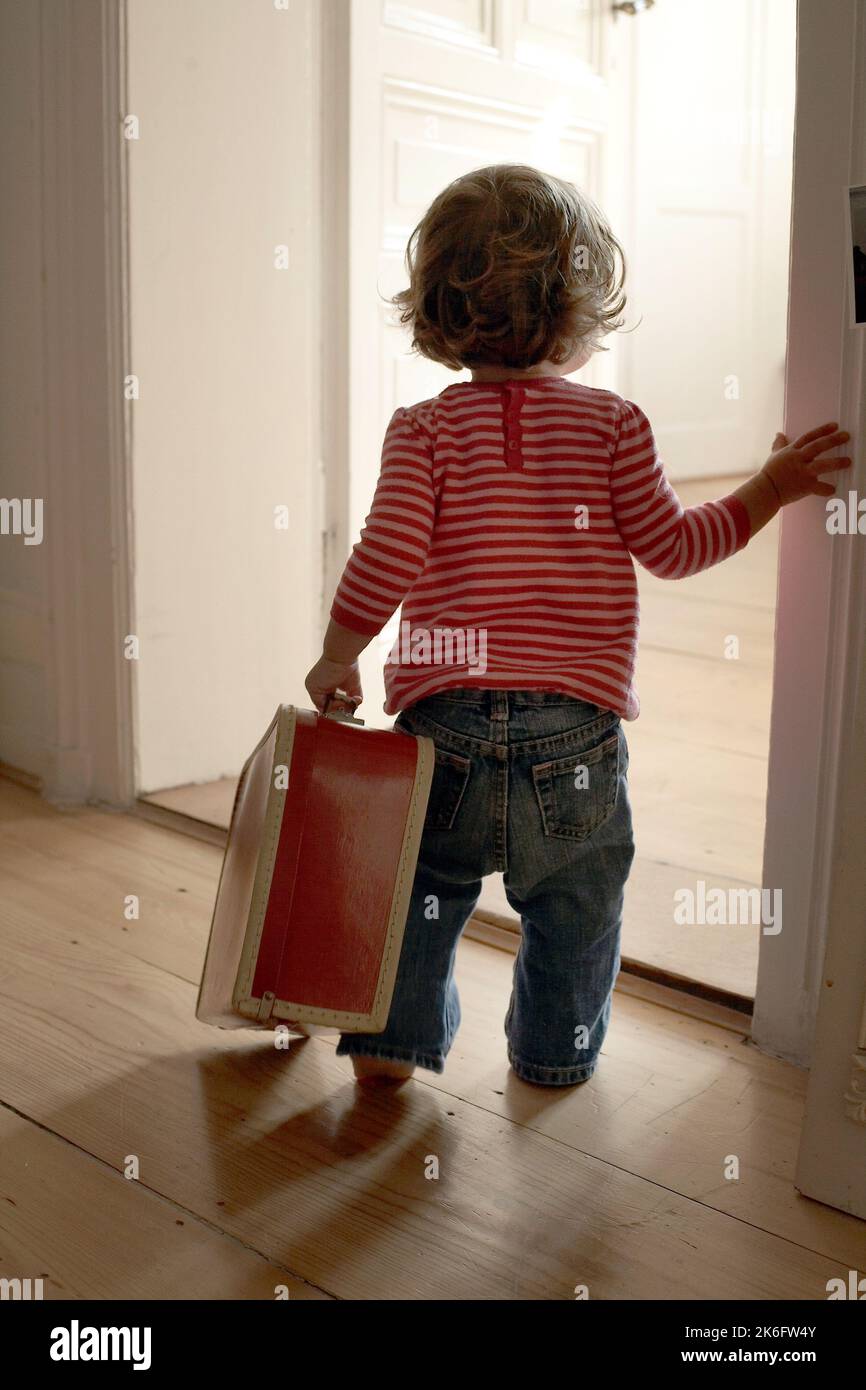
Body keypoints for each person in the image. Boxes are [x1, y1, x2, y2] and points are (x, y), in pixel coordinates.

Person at [305, 163, 851, 1089]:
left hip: (445, 729)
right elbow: (675, 548)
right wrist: (772, 488)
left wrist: (338, 653)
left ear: (437, 308)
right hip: (576, 734)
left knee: (426, 893)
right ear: (581, 311)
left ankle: (391, 1054)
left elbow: (388, 554)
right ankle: (554, 1058)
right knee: (576, 904)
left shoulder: (423, 430)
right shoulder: (614, 427)